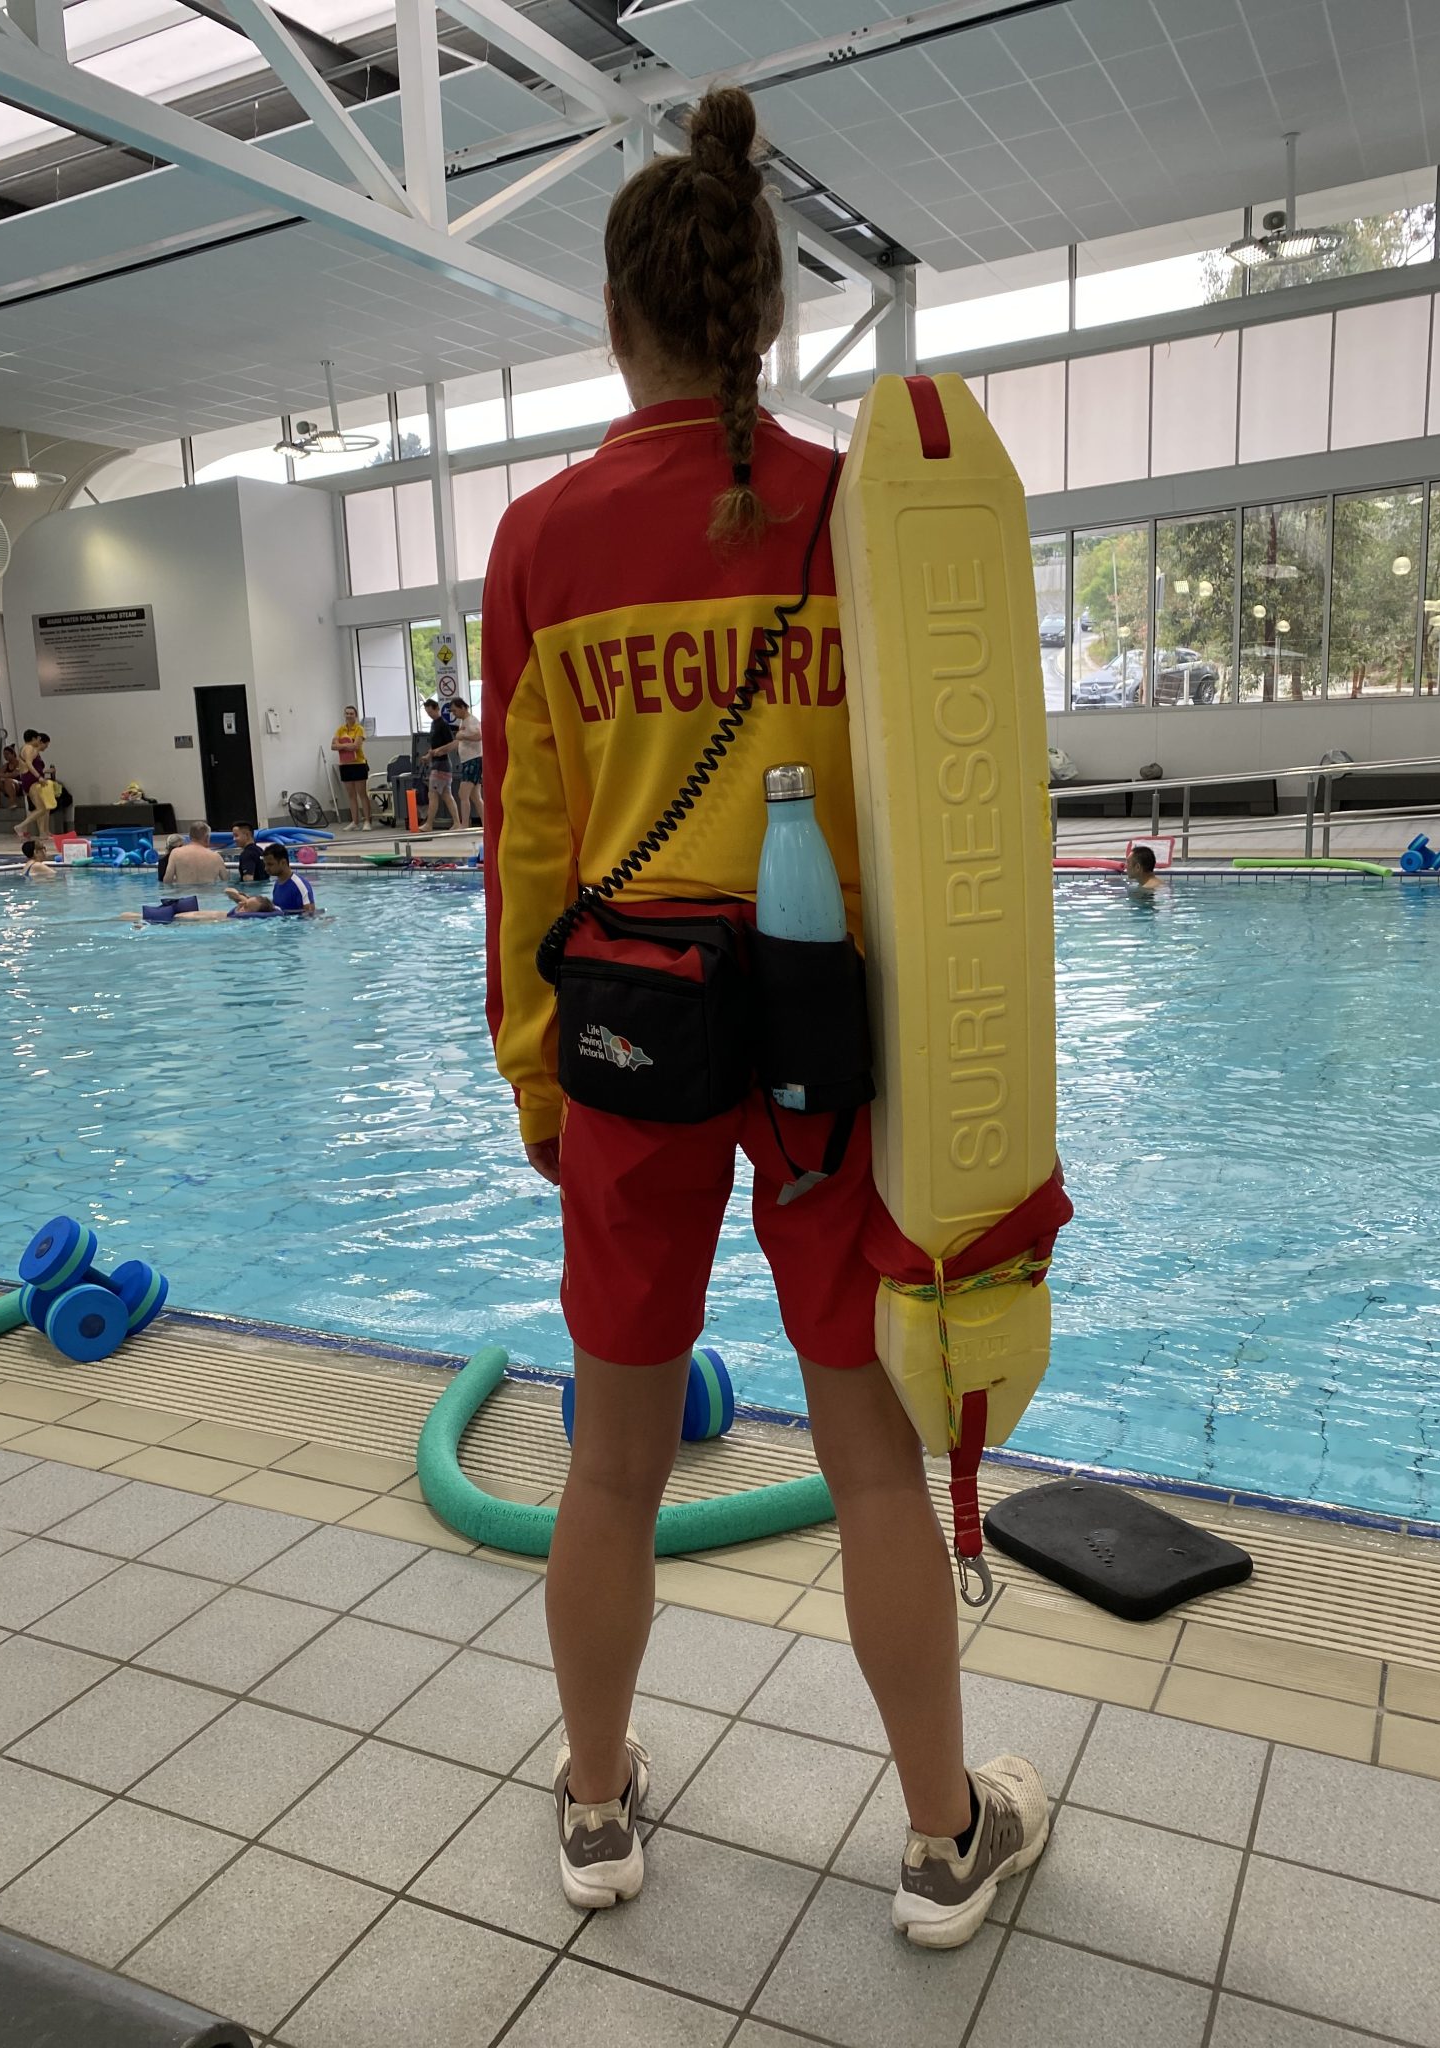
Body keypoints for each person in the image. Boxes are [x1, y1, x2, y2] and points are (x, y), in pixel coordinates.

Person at [482, 84, 1046, 1948]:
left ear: (619, 320)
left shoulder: (542, 542)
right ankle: (945, 1834)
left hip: (634, 1040)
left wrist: (532, 1060)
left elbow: (529, 836)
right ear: (767, 320)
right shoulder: (865, 512)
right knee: (871, 1448)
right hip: (826, 1050)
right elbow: (946, 804)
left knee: (614, 1457)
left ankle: (592, 1805)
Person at [225, 841, 315, 915]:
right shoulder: (277, 883)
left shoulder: (299, 884)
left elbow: (309, 914)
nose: (266, 868)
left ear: (283, 862)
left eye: (270, 864)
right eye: (265, 864)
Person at [418, 697, 461, 833]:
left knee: (433, 794)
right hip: (437, 762)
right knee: (446, 794)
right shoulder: (434, 724)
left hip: (441, 764)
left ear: (437, 709)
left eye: (430, 712)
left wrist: (438, 752)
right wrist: (429, 755)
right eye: (427, 713)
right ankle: (457, 822)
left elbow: (451, 744)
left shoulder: (443, 724)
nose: (429, 715)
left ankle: (429, 823)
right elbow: (434, 745)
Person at [332, 705, 373, 831]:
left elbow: (356, 746)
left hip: (358, 764)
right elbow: (333, 746)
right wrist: (346, 746)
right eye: (347, 713)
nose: (349, 715)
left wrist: (342, 745)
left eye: (351, 713)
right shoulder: (340, 730)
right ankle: (355, 821)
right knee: (351, 795)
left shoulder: (359, 729)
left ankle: (367, 821)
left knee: (362, 793)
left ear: (355, 715)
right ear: (344, 715)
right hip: (345, 765)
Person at [448, 697, 484, 830]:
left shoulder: (472, 720)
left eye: (455, 710)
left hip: (473, 760)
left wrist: (463, 736)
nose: (454, 714)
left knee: (463, 793)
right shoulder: (463, 722)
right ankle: (487, 824)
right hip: (469, 760)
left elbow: (479, 736)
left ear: (463, 707)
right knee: (475, 796)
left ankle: (463, 825)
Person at [162, 822, 227, 888]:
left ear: (189, 836)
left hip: (185, 896)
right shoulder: (216, 857)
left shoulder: (176, 853)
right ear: (207, 837)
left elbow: (167, 881)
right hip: (208, 896)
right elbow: (226, 881)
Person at [0, 743, 22, 811]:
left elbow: (14, 774)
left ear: (13, 754)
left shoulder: (19, 763)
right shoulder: (6, 765)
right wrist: (1, 775)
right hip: (8, 786)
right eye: (4, 754)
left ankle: (12, 802)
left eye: (7, 754)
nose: (5, 756)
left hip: (20, 786)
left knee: (8, 780)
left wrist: (4, 775)